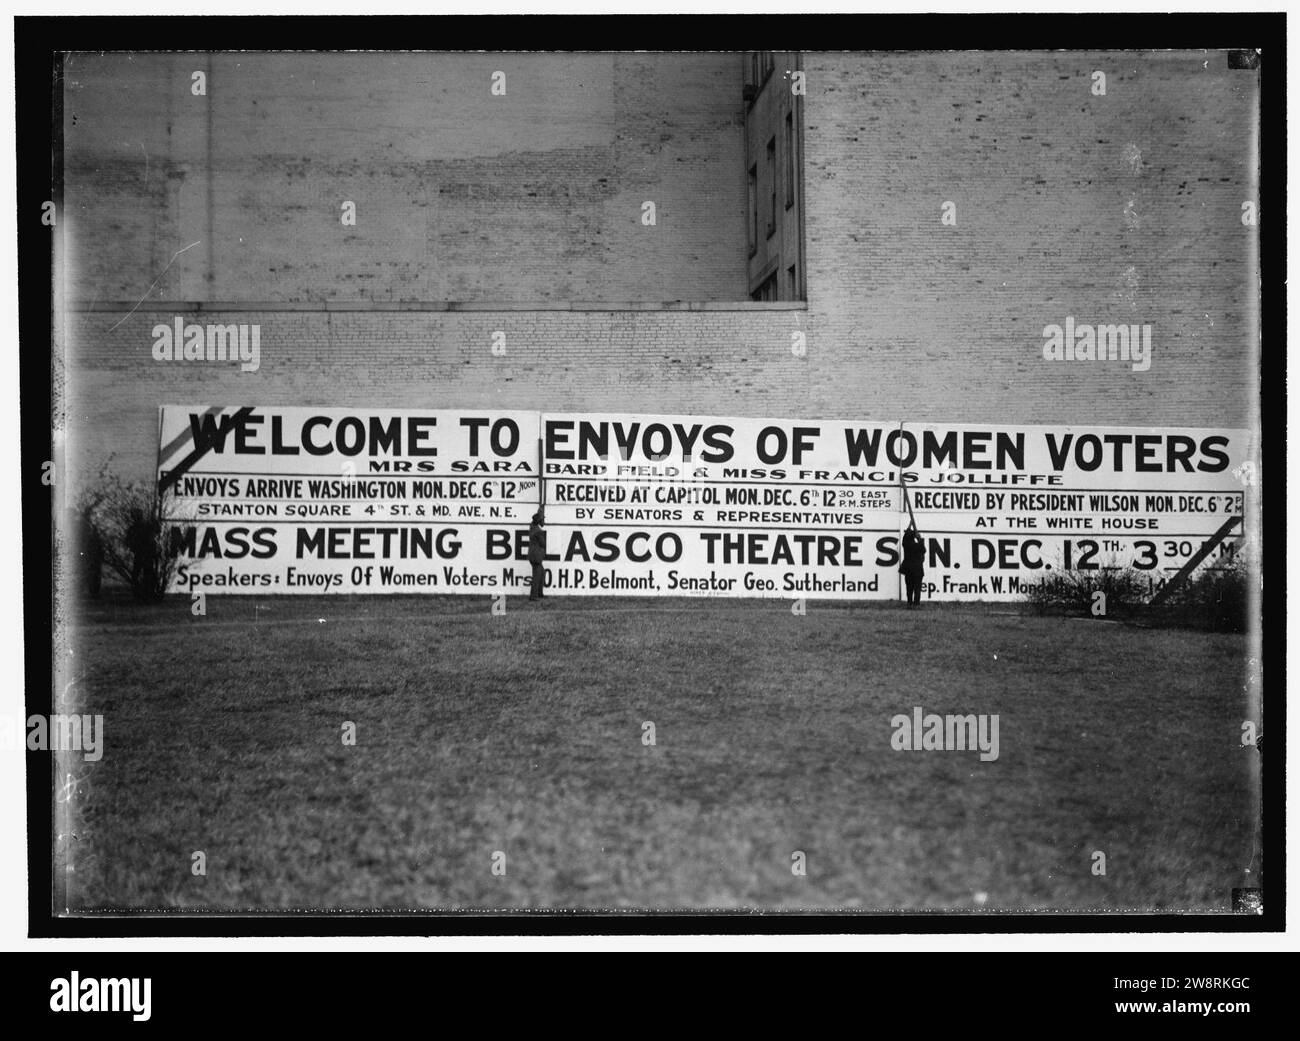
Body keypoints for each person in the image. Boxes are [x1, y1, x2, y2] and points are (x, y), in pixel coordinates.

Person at [900, 522, 925, 607]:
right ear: (914, 537)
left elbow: (905, 537)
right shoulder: (918, 545)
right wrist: (920, 539)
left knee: (909, 587)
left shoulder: (905, 545)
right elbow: (924, 550)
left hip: (908, 569)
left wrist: (910, 524)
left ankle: (909, 603)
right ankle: (916, 604)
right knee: (917, 588)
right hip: (917, 569)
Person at [528, 510, 547, 600]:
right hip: (536, 556)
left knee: (541, 573)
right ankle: (534, 596)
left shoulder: (532, 527)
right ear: (539, 521)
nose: (544, 521)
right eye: (542, 519)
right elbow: (543, 544)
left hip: (533, 554)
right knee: (537, 575)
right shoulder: (538, 531)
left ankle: (539, 593)